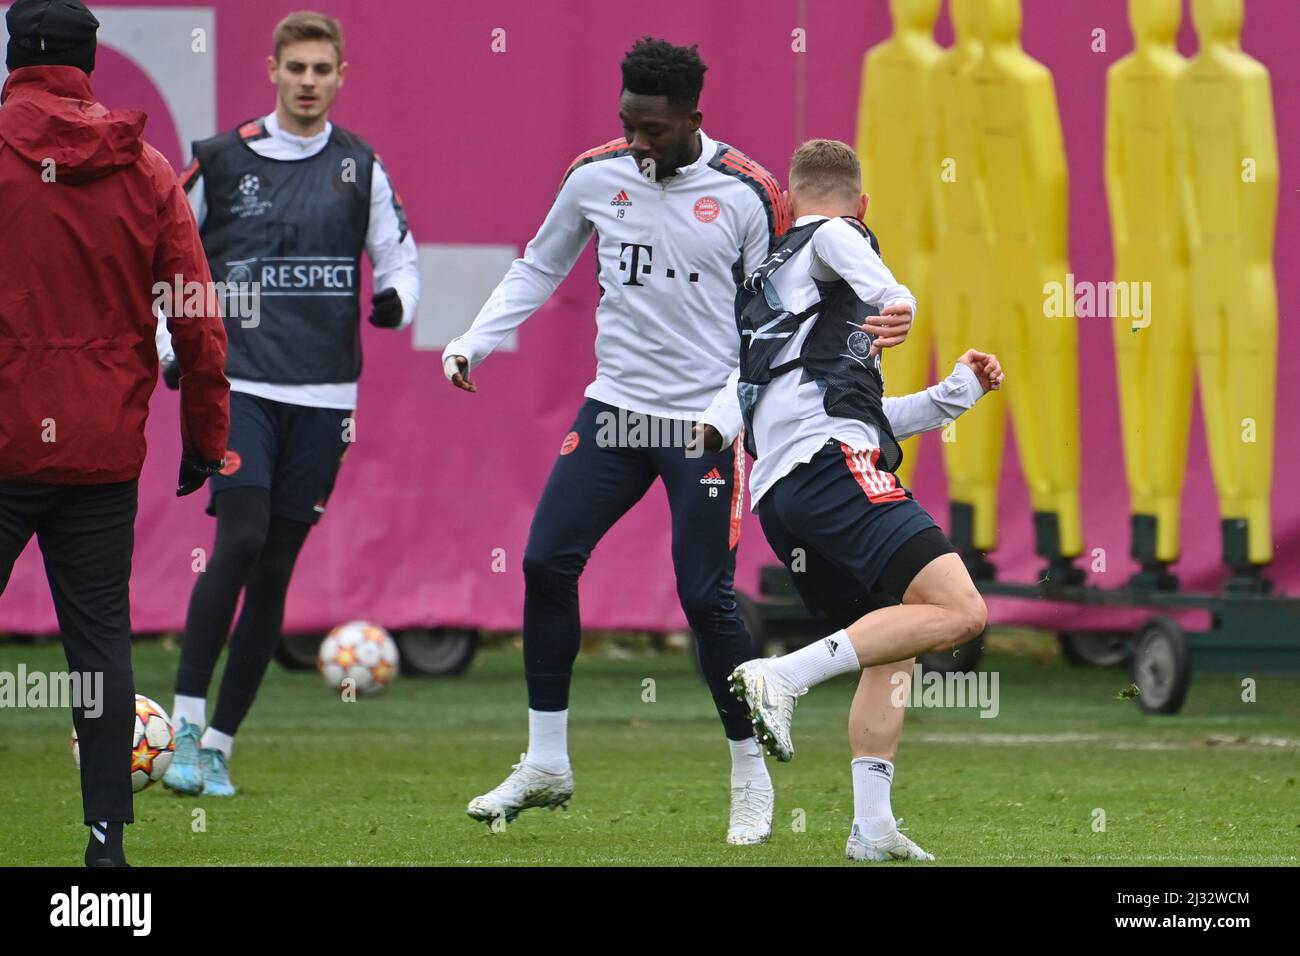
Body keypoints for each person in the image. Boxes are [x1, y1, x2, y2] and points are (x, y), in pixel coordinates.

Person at [443, 37, 891, 844]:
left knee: (702, 596)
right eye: (627, 123)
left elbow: (774, 318)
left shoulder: (750, 194)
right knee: (546, 562)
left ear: (692, 118)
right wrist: (474, 340)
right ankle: (547, 762)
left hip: (707, 421)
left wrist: (740, 406)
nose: (636, 142)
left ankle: (749, 778)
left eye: (651, 129)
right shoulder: (595, 175)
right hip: (615, 411)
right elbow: (539, 267)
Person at [697, 139, 1002, 862]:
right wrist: (899, 302)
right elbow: (889, 296)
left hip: (786, 493)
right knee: (962, 613)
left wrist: (957, 393)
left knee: (893, 643)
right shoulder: (837, 236)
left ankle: (871, 826)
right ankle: (783, 676)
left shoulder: (766, 288)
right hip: (833, 467)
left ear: (785, 203)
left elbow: (846, 406)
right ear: (861, 206)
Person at [156, 10, 420, 797]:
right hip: (242, 382)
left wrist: (396, 301)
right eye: (295, 67)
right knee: (237, 540)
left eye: (321, 69)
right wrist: (173, 347)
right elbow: (165, 253)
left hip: (325, 391)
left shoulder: (359, 165)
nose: (308, 81)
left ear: (341, 77)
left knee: (274, 567)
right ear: (272, 69)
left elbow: (399, 255)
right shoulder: (220, 158)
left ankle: (221, 751)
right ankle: (183, 730)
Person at [0, 0, 229, 866]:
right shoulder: (146, 170)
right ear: (91, 65)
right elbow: (199, 319)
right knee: (99, 647)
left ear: (15, 58)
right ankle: (105, 848)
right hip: (99, 451)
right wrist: (206, 437)